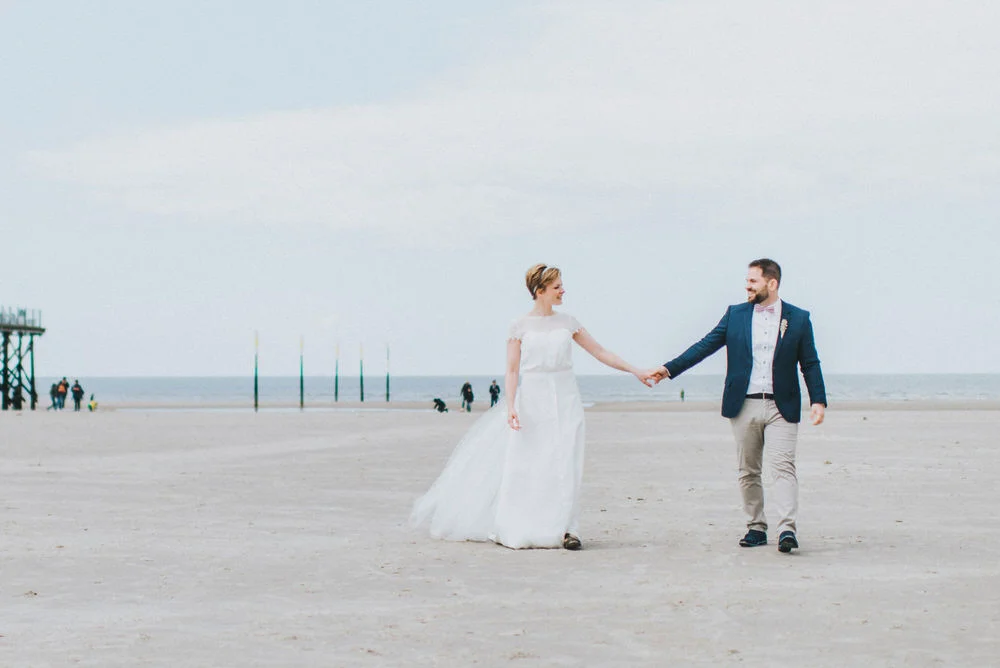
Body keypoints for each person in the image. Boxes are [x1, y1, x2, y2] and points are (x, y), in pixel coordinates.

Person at [412, 263, 653, 550]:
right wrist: (511, 405)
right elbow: (512, 370)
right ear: (540, 292)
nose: (563, 290)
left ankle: (566, 529)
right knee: (530, 462)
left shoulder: (568, 322)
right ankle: (522, 524)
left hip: (566, 396)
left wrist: (635, 370)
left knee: (567, 460)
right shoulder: (520, 326)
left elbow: (600, 352)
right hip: (533, 397)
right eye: (557, 287)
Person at [648, 259, 827, 554]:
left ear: (772, 283)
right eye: (747, 281)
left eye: (753, 281)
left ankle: (786, 530)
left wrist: (818, 400)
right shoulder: (736, 315)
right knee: (748, 470)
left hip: (782, 406)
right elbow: (705, 346)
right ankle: (756, 527)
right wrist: (669, 369)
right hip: (743, 404)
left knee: (783, 467)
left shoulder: (798, 318)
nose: (747, 286)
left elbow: (809, 362)